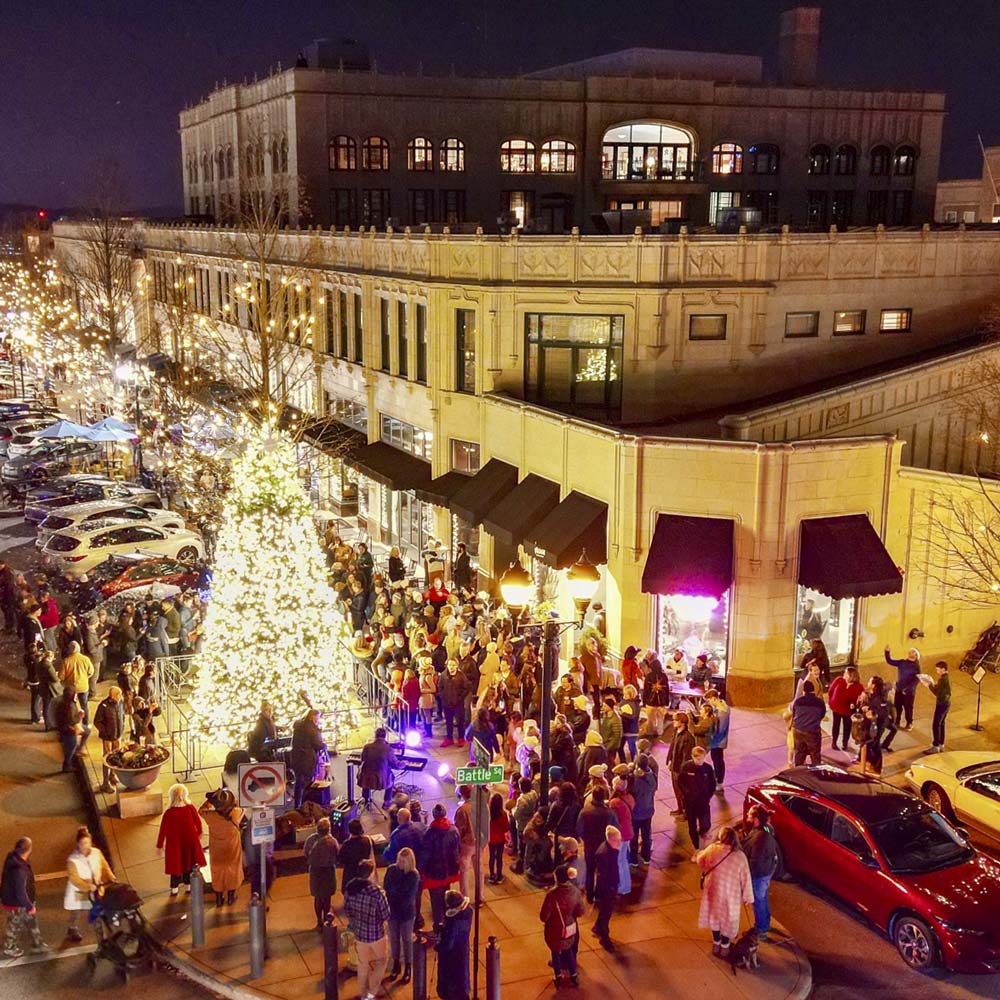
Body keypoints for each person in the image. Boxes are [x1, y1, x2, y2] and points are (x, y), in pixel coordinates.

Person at [695, 826, 754, 959]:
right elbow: (746, 877)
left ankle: (716, 944)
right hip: (731, 894)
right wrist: (748, 897)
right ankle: (725, 948)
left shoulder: (713, 849)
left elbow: (700, 861)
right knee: (728, 920)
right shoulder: (740, 856)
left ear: (721, 837)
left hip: (714, 891)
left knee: (715, 917)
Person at [344, 858, 390, 1000]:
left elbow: (348, 910)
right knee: (382, 960)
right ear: (370, 874)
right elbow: (386, 914)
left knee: (362, 964)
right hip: (376, 934)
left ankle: (363, 993)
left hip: (359, 933)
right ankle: (371, 993)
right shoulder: (377, 893)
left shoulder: (350, 888)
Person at [64, 826, 115, 941]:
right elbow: (74, 878)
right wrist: (87, 886)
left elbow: (104, 865)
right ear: (78, 844)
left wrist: (111, 876)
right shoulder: (72, 860)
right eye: (82, 843)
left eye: (87, 843)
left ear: (91, 842)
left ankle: (102, 937)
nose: (84, 846)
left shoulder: (96, 853)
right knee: (77, 911)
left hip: (96, 888)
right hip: (80, 891)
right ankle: (72, 928)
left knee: (97, 911)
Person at [1, 837, 48, 958]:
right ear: (29, 850)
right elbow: (21, 892)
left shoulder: (13, 857)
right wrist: (29, 906)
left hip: (20, 901)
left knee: (32, 921)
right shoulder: (20, 870)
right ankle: (9, 948)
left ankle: (37, 943)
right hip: (18, 903)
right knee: (14, 925)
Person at [156, 783, 206, 895]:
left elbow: (163, 830)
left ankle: (174, 888)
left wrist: (159, 845)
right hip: (189, 842)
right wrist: (199, 832)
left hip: (174, 844)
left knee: (176, 865)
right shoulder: (190, 808)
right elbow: (198, 822)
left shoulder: (169, 813)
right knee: (189, 863)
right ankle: (188, 886)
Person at [539, 863, 584, 987]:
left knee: (555, 951)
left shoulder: (552, 895)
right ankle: (573, 974)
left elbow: (544, 916)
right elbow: (580, 911)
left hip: (554, 929)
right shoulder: (575, 892)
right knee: (568, 949)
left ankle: (558, 975)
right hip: (569, 927)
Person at [200, 789, 245, 907]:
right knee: (233, 870)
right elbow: (241, 806)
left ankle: (219, 899)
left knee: (217, 871)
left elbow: (201, 810)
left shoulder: (211, 817)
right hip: (232, 847)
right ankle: (231, 897)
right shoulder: (236, 813)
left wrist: (210, 801)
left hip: (217, 848)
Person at [419, 803, 461, 930]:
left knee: (436, 900)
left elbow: (425, 854)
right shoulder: (453, 830)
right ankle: (447, 920)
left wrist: (421, 869)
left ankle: (439, 926)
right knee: (446, 894)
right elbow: (458, 849)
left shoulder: (430, 833)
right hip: (449, 870)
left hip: (434, 872)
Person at [741, 805, 778, 941]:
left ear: (756, 819)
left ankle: (761, 929)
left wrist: (746, 876)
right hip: (765, 872)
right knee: (763, 898)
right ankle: (765, 923)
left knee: (758, 901)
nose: (747, 818)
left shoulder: (760, 837)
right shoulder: (765, 830)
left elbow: (755, 861)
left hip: (759, 875)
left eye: (750, 816)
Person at [383, 846, 419, 984]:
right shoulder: (392, 870)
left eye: (402, 861)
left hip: (406, 913)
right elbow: (387, 887)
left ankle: (408, 967)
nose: (399, 863)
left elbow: (408, 896)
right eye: (399, 860)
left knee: (407, 939)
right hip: (393, 911)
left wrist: (394, 892)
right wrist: (396, 893)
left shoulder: (413, 875)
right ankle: (396, 964)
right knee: (394, 939)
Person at [575, 786, 615, 904]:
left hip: (590, 845)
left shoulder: (585, 811)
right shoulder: (609, 812)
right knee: (602, 870)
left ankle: (589, 895)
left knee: (590, 869)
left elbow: (579, 829)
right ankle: (599, 894)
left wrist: (585, 838)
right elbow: (615, 828)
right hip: (603, 845)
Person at [302, 817, 339, 928]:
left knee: (317, 897)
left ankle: (319, 920)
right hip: (328, 871)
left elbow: (305, 853)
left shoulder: (311, 840)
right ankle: (326, 919)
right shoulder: (332, 841)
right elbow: (337, 854)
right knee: (327, 897)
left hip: (315, 871)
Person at [436, 889, 473, 1000]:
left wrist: (439, 946)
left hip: (451, 958)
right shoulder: (468, 912)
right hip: (462, 950)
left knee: (451, 983)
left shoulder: (453, 921)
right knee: (462, 978)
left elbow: (448, 944)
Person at [455, 784, 488, 900]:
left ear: (462, 795)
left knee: (464, 871)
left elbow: (460, 828)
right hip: (479, 841)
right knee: (479, 870)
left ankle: (465, 898)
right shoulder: (481, 805)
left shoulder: (462, 810)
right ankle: (480, 896)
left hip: (467, 843)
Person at [679, 746, 716, 849]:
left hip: (703, 803)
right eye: (697, 758)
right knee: (692, 827)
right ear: (692, 757)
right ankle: (696, 847)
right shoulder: (686, 767)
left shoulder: (708, 769)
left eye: (702, 758)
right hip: (690, 803)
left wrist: (708, 796)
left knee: (706, 824)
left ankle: (703, 837)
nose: (699, 761)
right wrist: (686, 793)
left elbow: (712, 784)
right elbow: (681, 782)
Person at [592, 826, 620, 950]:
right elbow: (604, 875)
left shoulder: (609, 850)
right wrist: (612, 888)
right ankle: (604, 937)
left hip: (608, 886)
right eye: (618, 839)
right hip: (607, 888)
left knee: (604, 911)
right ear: (612, 839)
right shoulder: (605, 854)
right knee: (606, 913)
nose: (620, 842)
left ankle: (597, 927)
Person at [290, 709, 326, 807]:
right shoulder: (312, 729)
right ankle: (304, 805)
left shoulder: (298, 726)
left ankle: (297, 804)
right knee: (306, 784)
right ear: (312, 717)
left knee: (299, 782)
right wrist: (324, 745)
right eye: (317, 717)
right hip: (307, 760)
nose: (318, 719)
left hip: (296, 758)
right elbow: (317, 744)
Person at [93, 686, 126, 793]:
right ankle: (105, 783)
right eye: (118, 695)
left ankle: (113, 775)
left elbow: (123, 715)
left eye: (120, 694)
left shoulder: (120, 702)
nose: (120, 697)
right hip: (107, 737)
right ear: (112, 696)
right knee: (107, 759)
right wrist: (105, 732)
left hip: (117, 735)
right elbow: (97, 721)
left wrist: (122, 727)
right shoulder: (103, 706)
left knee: (116, 757)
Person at [359, 727, 399, 809]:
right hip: (381, 781)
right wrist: (404, 764)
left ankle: (366, 800)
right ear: (385, 737)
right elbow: (396, 765)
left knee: (365, 773)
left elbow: (362, 759)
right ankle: (387, 802)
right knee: (392, 777)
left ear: (375, 736)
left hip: (366, 780)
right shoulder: (388, 749)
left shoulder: (367, 747)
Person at [885, 645, 921, 731]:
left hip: (909, 692)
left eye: (913, 652)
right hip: (899, 689)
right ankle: (897, 721)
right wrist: (887, 652)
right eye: (910, 652)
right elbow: (890, 661)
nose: (911, 653)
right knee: (898, 707)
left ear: (916, 656)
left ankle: (909, 723)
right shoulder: (902, 662)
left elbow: (916, 680)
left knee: (908, 708)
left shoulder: (916, 667)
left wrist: (908, 689)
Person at [827, 667, 863, 752]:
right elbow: (830, 691)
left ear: (851, 676)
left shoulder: (858, 687)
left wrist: (854, 705)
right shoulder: (839, 680)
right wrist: (831, 701)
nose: (844, 674)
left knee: (847, 727)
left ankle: (844, 743)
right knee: (836, 725)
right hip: (836, 708)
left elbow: (859, 700)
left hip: (847, 710)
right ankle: (834, 742)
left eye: (846, 673)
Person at [791, 680, 826, 766]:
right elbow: (822, 715)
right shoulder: (819, 702)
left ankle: (798, 770)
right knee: (815, 753)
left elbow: (794, 713)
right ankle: (816, 772)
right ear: (813, 690)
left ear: (804, 691)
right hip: (812, 731)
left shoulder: (798, 701)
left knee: (799, 752)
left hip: (798, 730)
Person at [667, 712, 696, 816]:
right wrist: (670, 760)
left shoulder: (688, 738)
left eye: (675, 720)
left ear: (682, 722)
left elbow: (687, 757)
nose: (673, 722)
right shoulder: (676, 732)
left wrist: (683, 772)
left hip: (680, 770)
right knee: (677, 790)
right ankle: (680, 809)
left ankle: (686, 812)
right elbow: (672, 747)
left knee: (683, 792)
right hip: (674, 767)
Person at [59, 641, 95, 723]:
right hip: (83, 686)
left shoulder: (66, 661)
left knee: (71, 706)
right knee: (84, 705)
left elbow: (61, 676)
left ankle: (73, 722)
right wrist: (86, 677)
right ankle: (85, 722)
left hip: (71, 688)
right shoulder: (85, 659)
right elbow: (91, 671)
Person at [631, 754, 656, 865]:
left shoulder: (636, 780)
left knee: (634, 836)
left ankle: (634, 859)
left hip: (636, 812)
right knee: (646, 835)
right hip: (648, 810)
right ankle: (646, 857)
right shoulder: (652, 777)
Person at [54, 684, 85, 773]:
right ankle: (67, 765)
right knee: (71, 746)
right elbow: (72, 720)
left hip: (63, 728)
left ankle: (74, 754)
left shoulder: (63, 702)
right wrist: (80, 716)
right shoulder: (69, 706)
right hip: (69, 729)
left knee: (85, 732)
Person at [438, 659, 469, 748]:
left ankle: (461, 738)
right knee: (448, 721)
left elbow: (466, 689)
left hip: (458, 704)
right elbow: (440, 687)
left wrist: (459, 698)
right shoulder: (443, 675)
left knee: (460, 722)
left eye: (453, 665)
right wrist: (443, 698)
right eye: (450, 665)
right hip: (447, 703)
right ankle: (449, 738)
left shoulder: (461, 676)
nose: (451, 667)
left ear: (457, 666)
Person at [922, 660, 951, 752]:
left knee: (936, 724)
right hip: (947, 703)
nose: (937, 672)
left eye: (938, 670)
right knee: (941, 723)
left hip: (942, 704)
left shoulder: (943, 680)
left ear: (943, 669)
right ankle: (941, 743)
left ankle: (936, 746)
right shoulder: (946, 678)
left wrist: (929, 685)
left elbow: (938, 693)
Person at [705, 689, 730, 791]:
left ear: (714, 698)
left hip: (718, 742)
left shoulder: (722, 713)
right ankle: (717, 778)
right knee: (716, 760)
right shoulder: (722, 707)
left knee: (718, 761)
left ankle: (719, 781)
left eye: (709, 701)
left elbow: (720, 730)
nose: (709, 703)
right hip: (717, 741)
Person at [339, 819, 374, 889]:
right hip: (363, 872)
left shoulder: (347, 844)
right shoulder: (366, 841)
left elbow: (341, 859)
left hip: (350, 874)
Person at [641, 655, 670, 737]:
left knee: (650, 719)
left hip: (650, 702)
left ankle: (650, 732)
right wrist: (667, 701)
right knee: (660, 718)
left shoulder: (648, 676)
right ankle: (660, 732)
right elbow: (667, 690)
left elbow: (646, 690)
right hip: (661, 702)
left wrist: (644, 702)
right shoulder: (664, 676)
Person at [486, 791, 509, 885]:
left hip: (491, 839)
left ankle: (491, 875)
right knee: (499, 858)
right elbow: (506, 827)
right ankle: (499, 876)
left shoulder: (488, 814)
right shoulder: (503, 814)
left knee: (491, 857)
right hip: (500, 839)